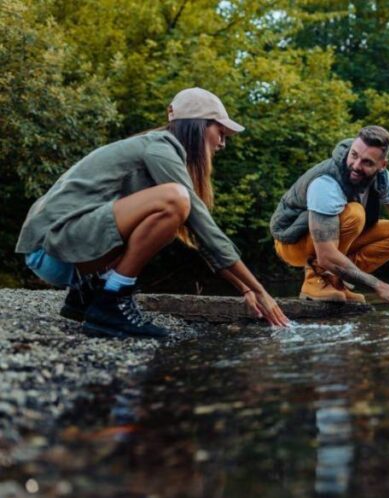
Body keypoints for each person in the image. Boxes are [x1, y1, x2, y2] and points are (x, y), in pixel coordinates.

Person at [16, 87, 290, 337]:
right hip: (52, 250)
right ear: (198, 127)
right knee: (176, 199)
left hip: (60, 247)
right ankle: (111, 301)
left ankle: (87, 296)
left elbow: (195, 235)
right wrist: (260, 291)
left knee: (173, 217)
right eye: (221, 132)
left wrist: (244, 288)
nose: (222, 143)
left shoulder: (155, 149)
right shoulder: (160, 148)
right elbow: (204, 228)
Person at [269, 125, 389, 313]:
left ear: (382, 165)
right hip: (291, 242)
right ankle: (316, 280)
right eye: (354, 155)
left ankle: (337, 281)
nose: (355, 165)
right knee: (355, 214)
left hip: (330, 243)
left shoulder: (383, 179)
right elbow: (326, 255)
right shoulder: (326, 182)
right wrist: (378, 285)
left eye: (367, 163)